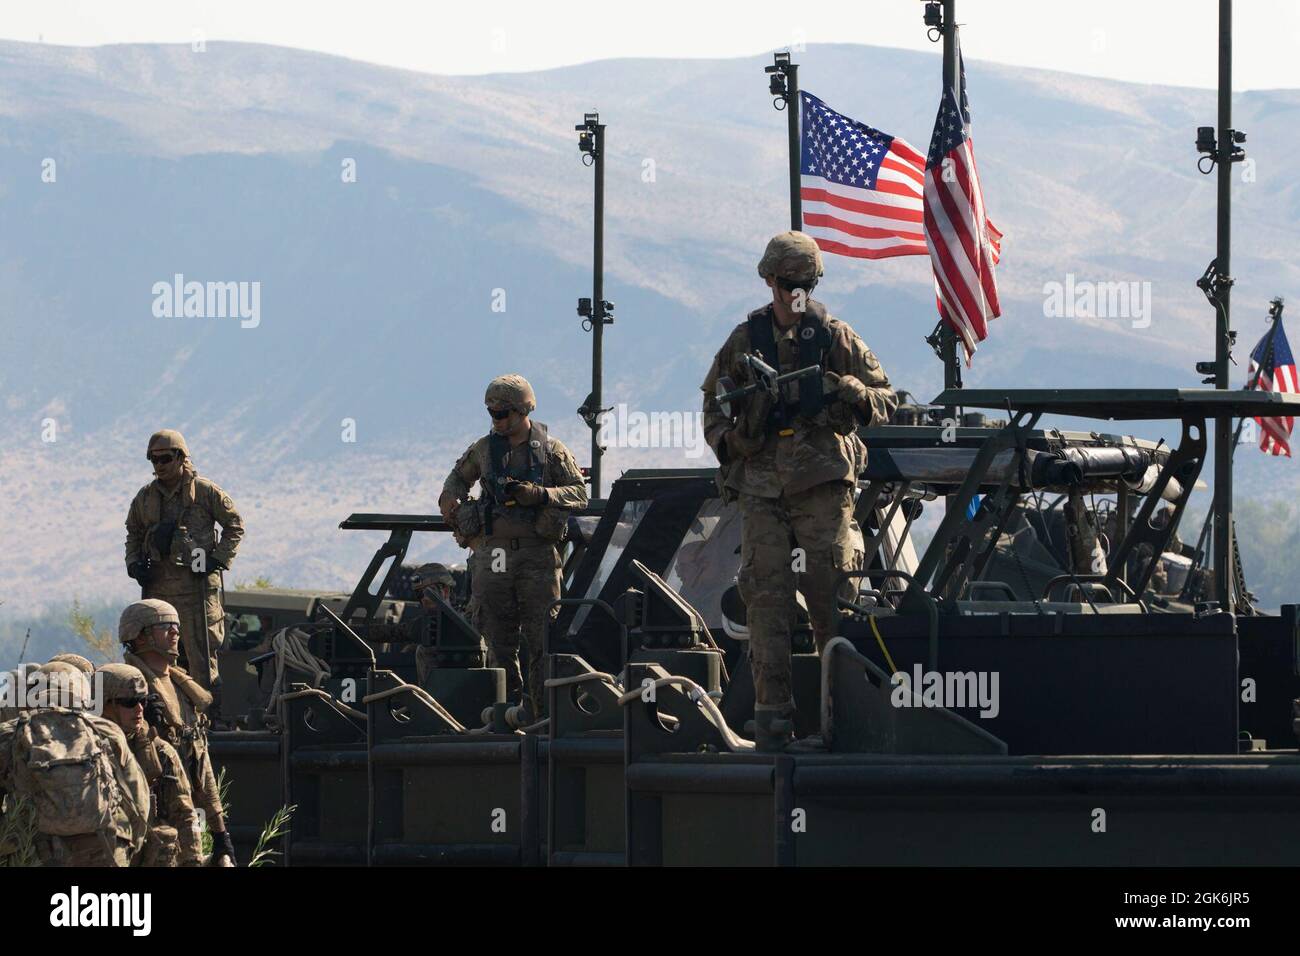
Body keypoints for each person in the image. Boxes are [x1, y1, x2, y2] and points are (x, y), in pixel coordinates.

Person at [700, 231, 897, 750]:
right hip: (763, 489)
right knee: (766, 601)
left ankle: (842, 720)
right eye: (789, 284)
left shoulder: (834, 336)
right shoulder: (744, 343)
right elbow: (713, 409)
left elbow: (885, 399)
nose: (796, 295)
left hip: (821, 487)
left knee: (833, 597)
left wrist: (855, 395)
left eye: (805, 284)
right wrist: (735, 437)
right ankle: (773, 723)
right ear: (770, 280)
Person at [438, 375, 588, 723]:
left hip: (537, 554)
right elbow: (455, 481)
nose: (497, 419)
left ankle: (539, 715)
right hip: (495, 553)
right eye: (492, 413)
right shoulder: (484, 450)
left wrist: (540, 495)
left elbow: (578, 494)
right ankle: (506, 712)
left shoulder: (551, 451)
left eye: (503, 413)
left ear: (523, 410)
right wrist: (457, 512)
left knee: (540, 637)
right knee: (496, 633)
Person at [124, 429, 245, 722]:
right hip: (159, 594)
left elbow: (235, 526)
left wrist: (217, 560)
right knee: (157, 660)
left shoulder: (205, 492)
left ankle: (210, 724)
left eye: (165, 458)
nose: (159, 465)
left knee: (202, 661)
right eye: (153, 460)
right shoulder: (145, 498)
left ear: (180, 457)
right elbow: (133, 533)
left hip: (197, 593)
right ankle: (165, 720)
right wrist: (134, 564)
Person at [118, 599, 237, 866]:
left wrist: (220, 834)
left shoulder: (181, 686)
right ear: (139, 634)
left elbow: (200, 762)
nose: (175, 632)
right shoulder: (122, 692)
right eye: (165, 626)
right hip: (147, 822)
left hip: (186, 819)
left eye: (176, 626)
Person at [0, 662, 149, 866]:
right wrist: (129, 844)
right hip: (105, 847)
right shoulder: (107, 730)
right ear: (82, 692)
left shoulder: (9, 734)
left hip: (35, 851)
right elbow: (138, 797)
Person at [96, 663, 203, 867]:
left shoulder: (159, 752)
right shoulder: (88, 750)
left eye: (142, 700)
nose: (139, 709)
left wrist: (193, 861)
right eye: (129, 702)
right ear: (104, 704)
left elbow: (186, 814)